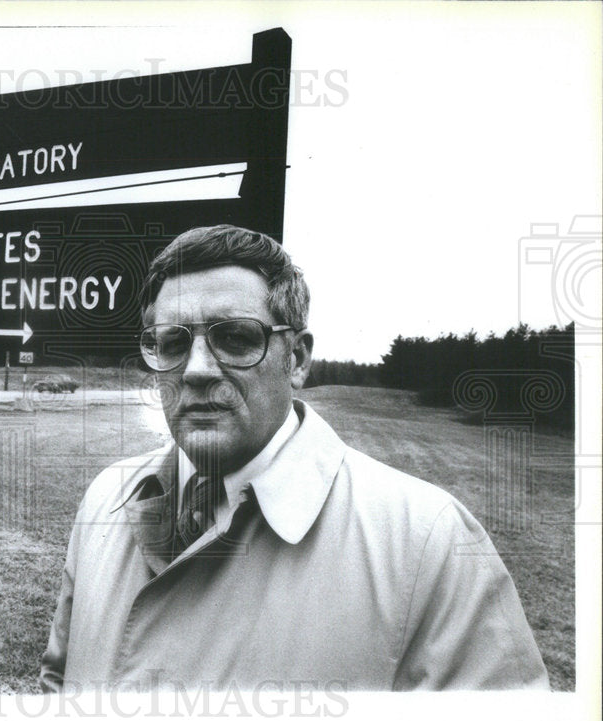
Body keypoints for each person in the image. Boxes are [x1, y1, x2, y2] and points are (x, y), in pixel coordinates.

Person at [39, 224, 549, 692]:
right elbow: (59, 684)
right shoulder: (105, 498)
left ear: (298, 359)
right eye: (172, 342)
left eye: (236, 338)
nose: (195, 370)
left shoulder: (427, 543)